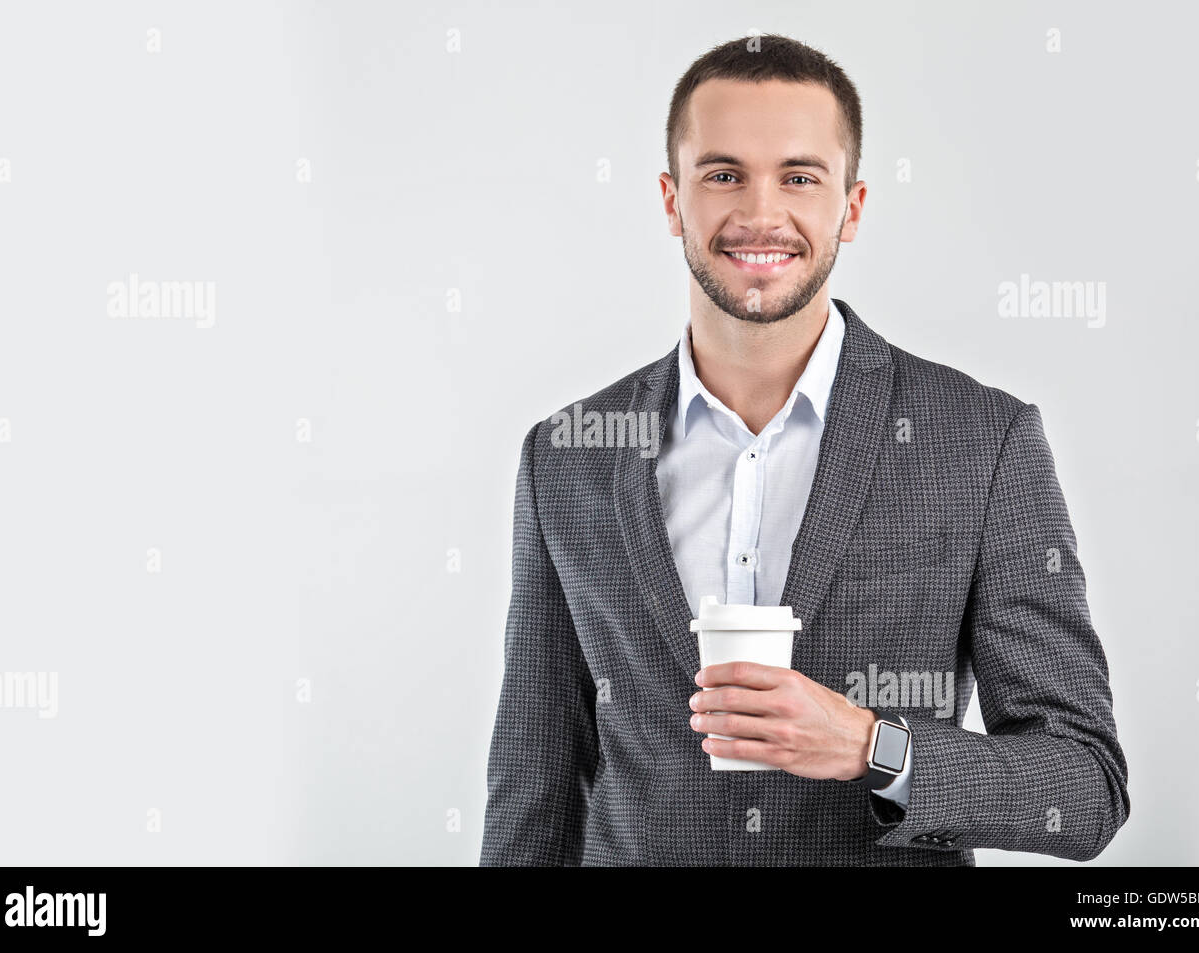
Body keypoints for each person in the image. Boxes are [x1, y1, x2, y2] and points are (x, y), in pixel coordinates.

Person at [480, 33, 1129, 866]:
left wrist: (872, 744)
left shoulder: (982, 441)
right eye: (724, 175)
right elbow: (534, 789)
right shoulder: (566, 456)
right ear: (672, 200)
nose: (761, 214)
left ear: (850, 208)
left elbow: (1083, 788)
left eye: (799, 177)